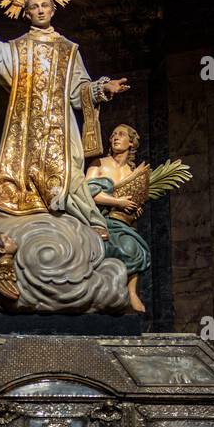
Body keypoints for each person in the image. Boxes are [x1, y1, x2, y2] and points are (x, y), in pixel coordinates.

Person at [0, 0, 128, 233]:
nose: (40, 10)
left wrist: (102, 88)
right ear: (26, 14)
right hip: (25, 125)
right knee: (25, 174)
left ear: (53, 9)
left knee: (68, 176)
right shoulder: (18, 48)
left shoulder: (68, 50)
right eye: (34, 6)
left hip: (61, 127)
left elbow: (78, 92)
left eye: (44, 5)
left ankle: (86, 220)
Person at [86, 123, 151, 312]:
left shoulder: (132, 173)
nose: (115, 137)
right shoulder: (100, 164)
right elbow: (87, 192)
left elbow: (133, 199)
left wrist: (134, 209)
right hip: (97, 218)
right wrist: (118, 202)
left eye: (121, 135)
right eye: (113, 134)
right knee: (123, 245)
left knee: (135, 247)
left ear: (131, 143)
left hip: (122, 222)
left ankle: (131, 292)